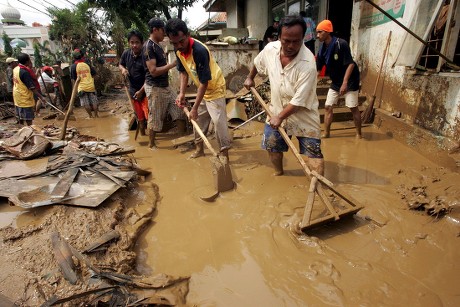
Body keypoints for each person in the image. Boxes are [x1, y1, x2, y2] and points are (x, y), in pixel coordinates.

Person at [244, 15, 324, 176]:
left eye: (296, 41)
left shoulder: (308, 63)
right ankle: (279, 174)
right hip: (276, 109)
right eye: (286, 40)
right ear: (279, 37)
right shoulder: (270, 49)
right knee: (272, 146)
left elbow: (299, 101)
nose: (291, 46)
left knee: (313, 154)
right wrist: (250, 77)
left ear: (303, 38)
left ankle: (318, 184)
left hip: (303, 114)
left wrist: (280, 117)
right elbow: (258, 63)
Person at [165, 18, 231, 158]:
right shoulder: (178, 51)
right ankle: (199, 150)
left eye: (181, 41)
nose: (178, 46)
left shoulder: (199, 51)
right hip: (203, 89)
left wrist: (193, 108)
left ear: (188, 35)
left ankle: (224, 155)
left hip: (215, 88)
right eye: (174, 43)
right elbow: (183, 73)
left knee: (218, 122)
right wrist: (182, 93)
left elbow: (204, 82)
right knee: (198, 121)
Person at [143, 18, 186, 149]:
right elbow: (153, 71)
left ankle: (182, 140)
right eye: (163, 30)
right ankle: (152, 145)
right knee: (155, 118)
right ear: (155, 30)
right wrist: (172, 64)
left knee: (179, 111)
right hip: (155, 88)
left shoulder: (158, 46)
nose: (164, 33)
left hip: (165, 86)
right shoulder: (148, 47)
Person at [316, 19, 362, 139]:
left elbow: (350, 64)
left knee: (353, 107)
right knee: (327, 106)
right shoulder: (322, 49)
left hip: (350, 80)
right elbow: (318, 69)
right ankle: (326, 133)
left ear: (327, 32)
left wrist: (345, 83)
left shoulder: (341, 44)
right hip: (336, 81)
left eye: (319, 32)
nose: (317, 35)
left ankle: (359, 134)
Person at [119, 30, 149, 136]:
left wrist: (141, 91)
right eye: (132, 42)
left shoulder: (146, 56)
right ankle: (143, 135)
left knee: (149, 117)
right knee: (140, 118)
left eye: (137, 42)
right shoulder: (126, 53)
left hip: (146, 91)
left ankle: (152, 140)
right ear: (129, 43)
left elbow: (149, 76)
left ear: (142, 43)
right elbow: (120, 64)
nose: (134, 45)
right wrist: (123, 70)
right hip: (133, 91)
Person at [12, 53, 46, 126]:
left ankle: (22, 130)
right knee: (28, 119)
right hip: (24, 97)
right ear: (27, 61)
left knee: (20, 117)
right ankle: (30, 133)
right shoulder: (24, 72)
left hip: (17, 95)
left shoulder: (15, 69)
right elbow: (32, 87)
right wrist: (41, 97)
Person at [70, 48, 98, 118]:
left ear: (74, 57)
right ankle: (96, 115)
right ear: (82, 55)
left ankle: (90, 116)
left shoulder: (73, 67)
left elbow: (73, 80)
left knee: (86, 103)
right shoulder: (87, 64)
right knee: (94, 102)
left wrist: (75, 90)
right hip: (91, 86)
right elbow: (95, 75)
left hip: (81, 88)